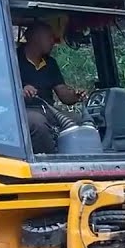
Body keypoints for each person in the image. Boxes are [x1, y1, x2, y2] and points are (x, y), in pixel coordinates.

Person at [17, 22, 85, 153]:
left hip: (48, 109)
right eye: (49, 37)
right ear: (36, 38)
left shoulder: (50, 63)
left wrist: (74, 95)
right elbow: (0, 88)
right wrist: (21, 90)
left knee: (78, 121)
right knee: (38, 123)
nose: (53, 42)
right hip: (21, 111)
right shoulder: (13, 58)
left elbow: (64, 95)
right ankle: (47, 160)